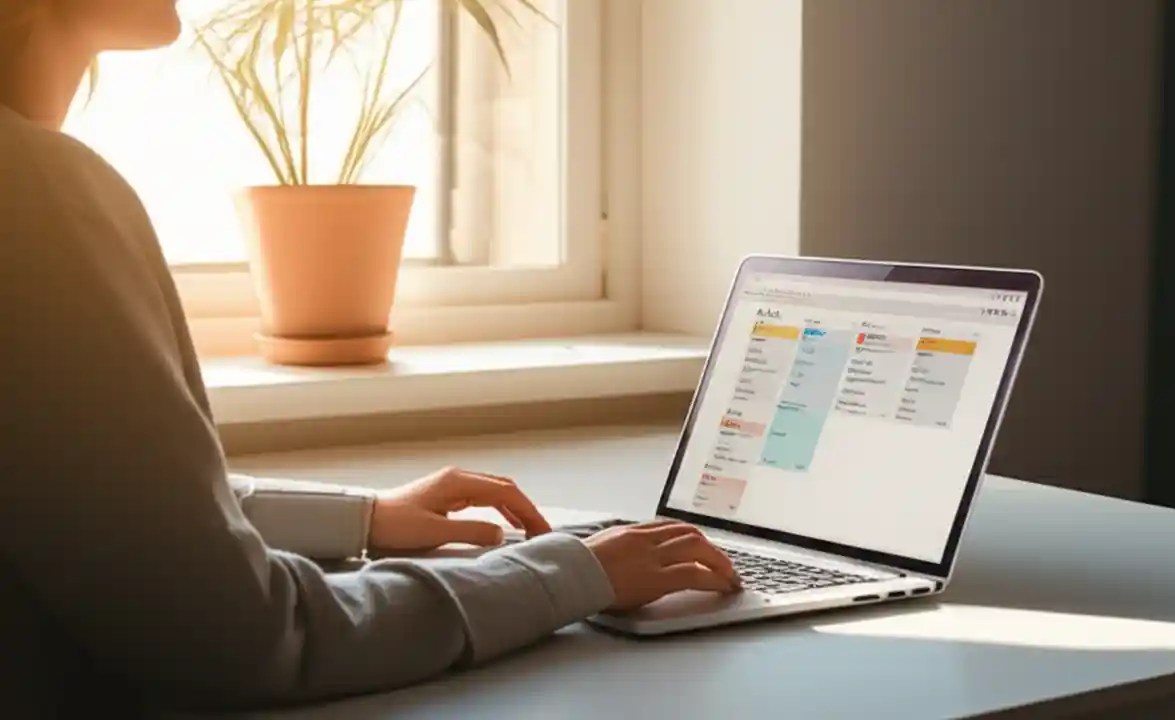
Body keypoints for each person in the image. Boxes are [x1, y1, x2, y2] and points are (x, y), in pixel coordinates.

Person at [0, 1, 741, 715]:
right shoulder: (33, 195)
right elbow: (240, 636)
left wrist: (363, 519)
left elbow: (102, 508)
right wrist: (565, 575)